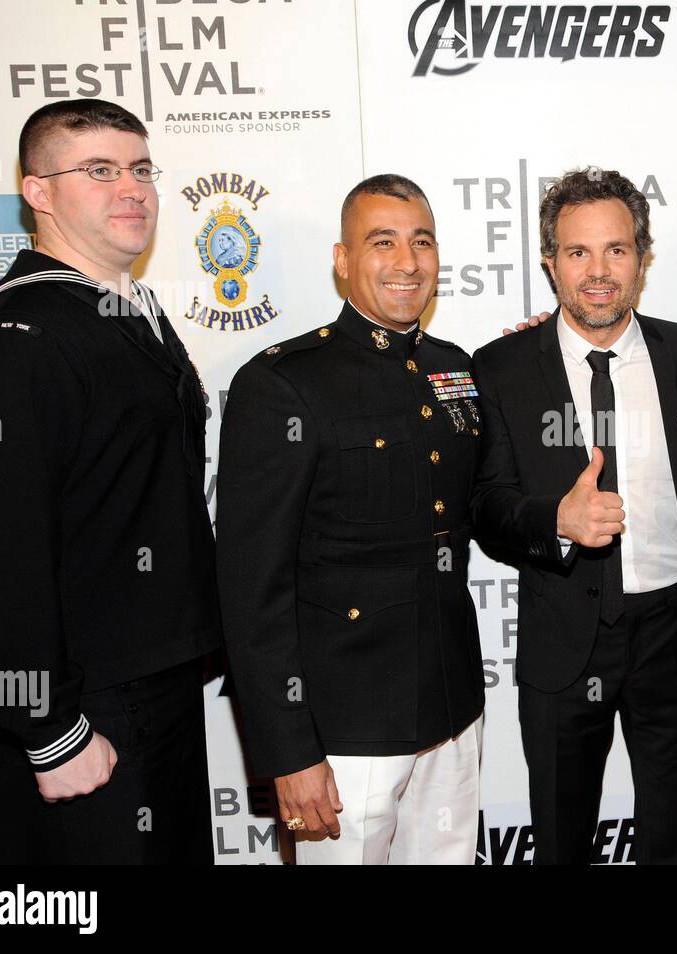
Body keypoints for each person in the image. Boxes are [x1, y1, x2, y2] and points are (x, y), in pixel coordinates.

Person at [0, 99, 219, 863]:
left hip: (152, 687)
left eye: (139, 169)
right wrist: (51, 732)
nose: (130, 189)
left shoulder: (125, 309)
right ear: (37, 192)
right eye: (98, 170)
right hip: (84, 714)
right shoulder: (15, 343)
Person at [216, 174, 484, 864]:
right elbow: (252, 587)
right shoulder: (282, 384)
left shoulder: (452, 370)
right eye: (382, 242)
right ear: (343, 260)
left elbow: (484, 506)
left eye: (421, 241)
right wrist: (289, 751)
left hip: (452, 710)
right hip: (345, 729)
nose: (407, 261)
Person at [471, 168, 677, 864]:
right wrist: (555, 518)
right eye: (577, 252)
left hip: (675, 632)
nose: (598, 271)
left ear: (643, 257)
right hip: (563, 634)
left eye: (616, 249)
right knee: (560, 841)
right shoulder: (502, 367)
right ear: (550, 263)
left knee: (675, 843)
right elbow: (486, 508)